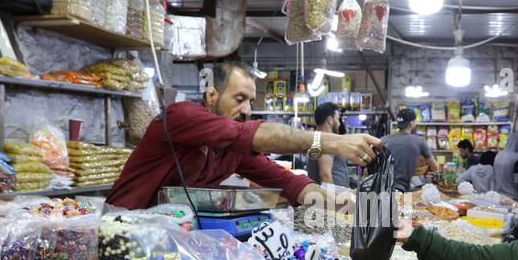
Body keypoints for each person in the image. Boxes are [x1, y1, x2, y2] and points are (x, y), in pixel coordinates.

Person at [107, 61, 380, 210]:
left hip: (165, 235)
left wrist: (352, 209)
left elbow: (288, 182)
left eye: (251, 101)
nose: (247, 110)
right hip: (123, 226)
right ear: (211, 95)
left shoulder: (232, 152)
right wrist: (336, 143)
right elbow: (250, 134)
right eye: (239, 99)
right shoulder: (181, 116)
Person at [381, 108, 436, 193]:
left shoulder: (383, 139)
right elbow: (434, 166)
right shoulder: (419, 141)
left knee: (386, 206)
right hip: (402, 190)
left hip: (382, 188)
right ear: (411, 123)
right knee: (405, 205)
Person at [305, 102, 351, 190]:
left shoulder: (318, 139)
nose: (339, 123)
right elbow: (325, 175)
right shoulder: (325, 141)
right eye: (337, 119)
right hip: (331, 200)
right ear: (330, 120)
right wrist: (333, 201)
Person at [492, 130, 518, 200]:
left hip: (498, 196)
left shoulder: (498, 155)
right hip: (513, 197)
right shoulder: (516, 158)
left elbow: (493, 177)